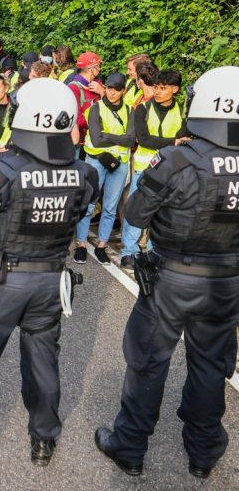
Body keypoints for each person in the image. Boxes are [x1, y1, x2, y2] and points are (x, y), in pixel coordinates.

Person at [0, 78, 97, 467]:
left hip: (2, 280)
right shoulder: (84, 173)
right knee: (43, 362)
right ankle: (43, 440)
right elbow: (80, 211)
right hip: (49, 281)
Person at [95, 66, 239, 480]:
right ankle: (203, 453)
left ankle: (130, 446)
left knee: (148, 361)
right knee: (211, 365)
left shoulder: (177, 159)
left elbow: (136, 212)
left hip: (172, 278)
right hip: (226, 282)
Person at [119, 69, 189, 270]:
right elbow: (145, 139)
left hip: (171, 170)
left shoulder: (182, 111)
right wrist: (174, 142)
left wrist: (175, 143)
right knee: (137, 210)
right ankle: (129, 253)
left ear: (175, 89)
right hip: (145, 169)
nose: (157, 91)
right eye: (156, 87)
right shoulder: (143, 108)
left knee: (162, 213)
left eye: (163, 88)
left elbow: (184, 140)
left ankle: (153, 251)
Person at [73, 72, 132, 265]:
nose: (112, 93)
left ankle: (101, 245)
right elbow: (96, 139)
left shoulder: (130, 110)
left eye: (116, 89)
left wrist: (108, 135)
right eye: (109, 88)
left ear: (123, 91)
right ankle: (81, 244)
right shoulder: (95, 108)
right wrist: (118, 138)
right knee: (88, 204)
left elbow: (131, 140)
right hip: (97, 160)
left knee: (110, 207)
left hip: (120, 162)